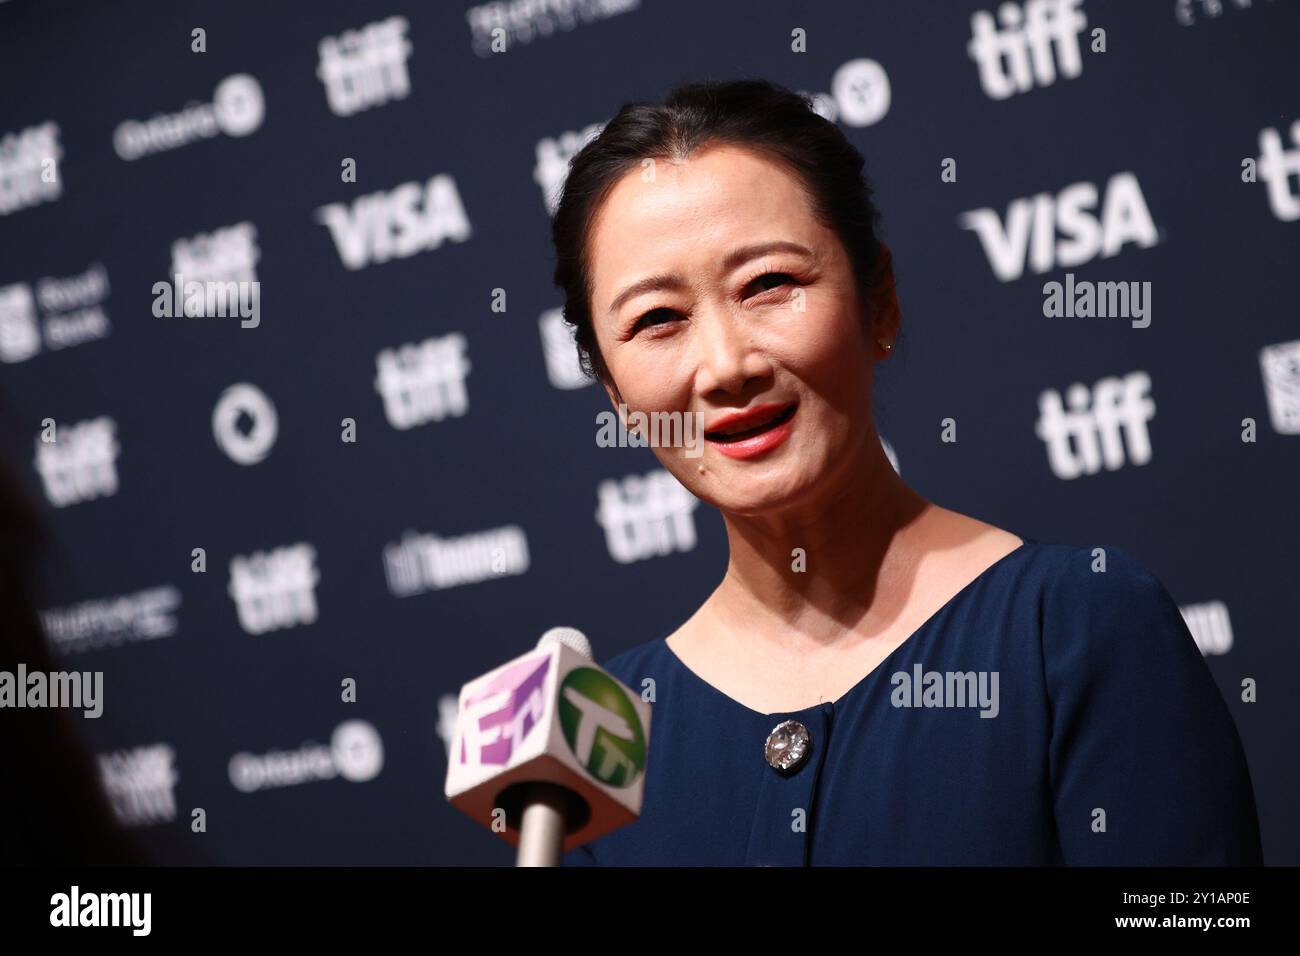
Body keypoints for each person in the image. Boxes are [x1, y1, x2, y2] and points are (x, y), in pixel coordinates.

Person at [548, 78, 1263, 865]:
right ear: (614, 392)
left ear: (878, 302)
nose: (725, 366)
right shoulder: (608, 739)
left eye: (769, 285)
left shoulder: (1074, 625)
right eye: (658, 320)